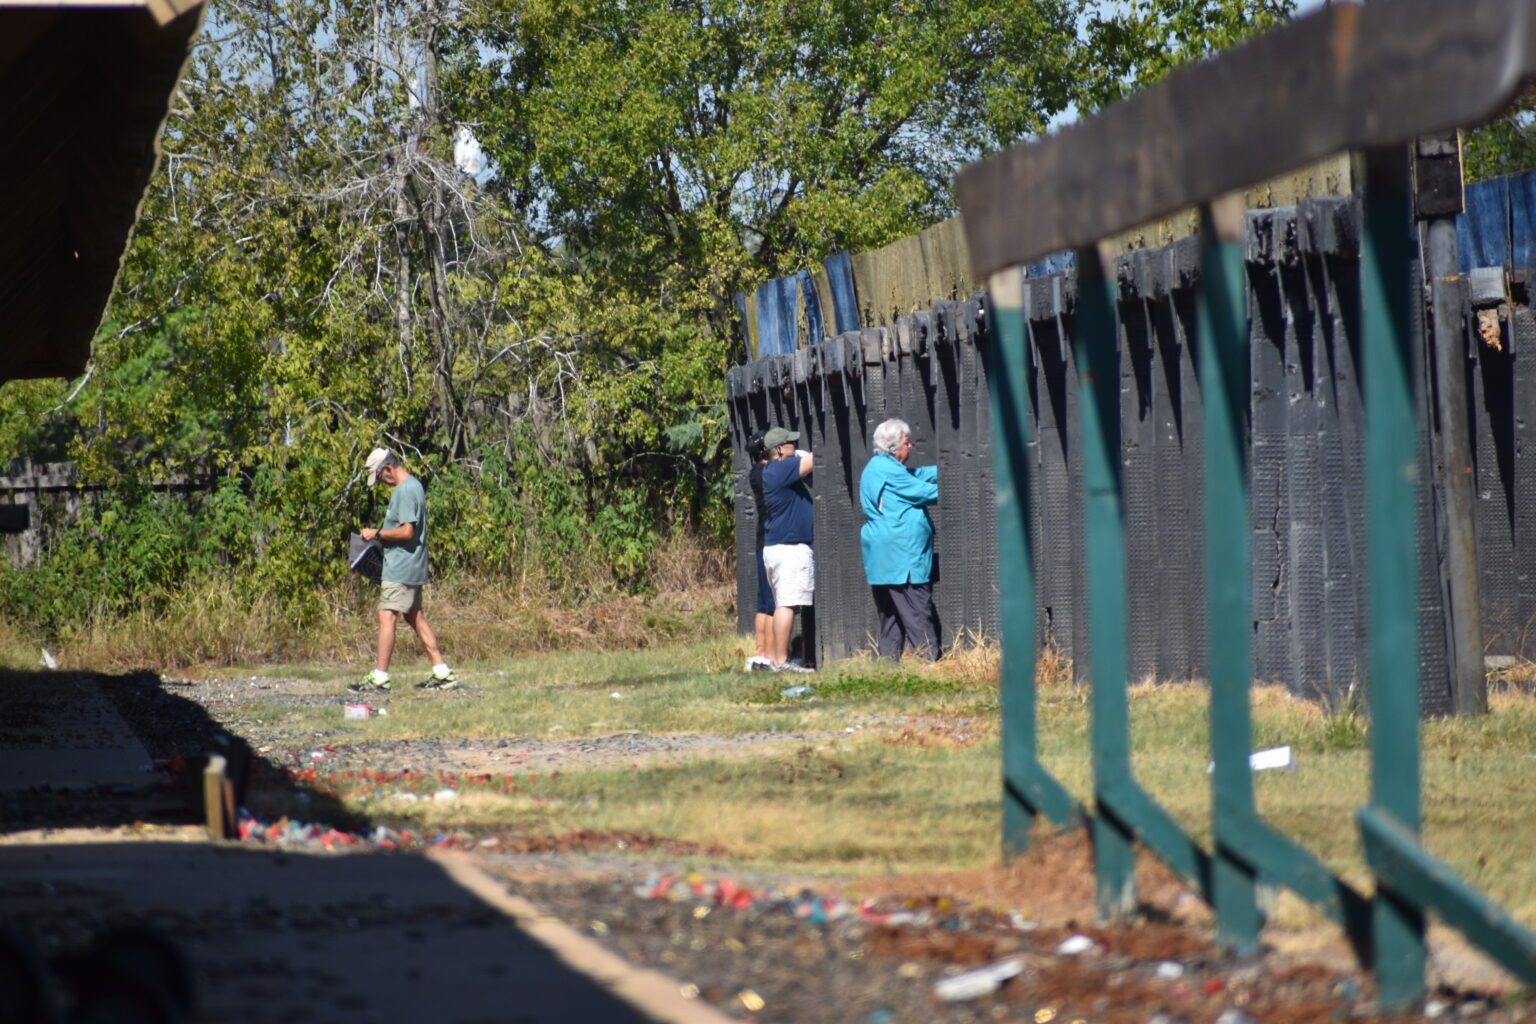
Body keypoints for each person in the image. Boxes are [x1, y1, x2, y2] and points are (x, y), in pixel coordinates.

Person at [351, 447, 458, 692]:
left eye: (379, 477)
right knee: (413, 615)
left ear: (388, 469)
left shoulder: (406, 490)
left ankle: (380, 677)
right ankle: (442, 672)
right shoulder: (413, 487)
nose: (380, 483)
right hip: (410, 564)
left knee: (386, 615)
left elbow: (407, 531)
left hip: (401, 566)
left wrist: (377, 533)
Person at [859, 418, 941, 661]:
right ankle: (928, 665)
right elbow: (925, 490)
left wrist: (949, 466)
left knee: (892, 616)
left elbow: (915, 475)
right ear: (893, 448)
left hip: (885, 560)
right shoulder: (888, 472)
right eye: (907, 442)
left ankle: (887, 669)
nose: (911, 447)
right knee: (917, 611)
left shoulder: (880, 467)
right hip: (902, 558)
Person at [759, 426, 814, 671]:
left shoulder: (771, 470)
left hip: (776, 548)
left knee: (783, 602)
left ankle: (776, 658)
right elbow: (817, 458)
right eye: (790, 443)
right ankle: (781, 661)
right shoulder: (782, 469)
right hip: (789, 549)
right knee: (787, 605)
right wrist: (803, 454)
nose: (794, 444)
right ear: (780, 450)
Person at [745, 431, 777, 672]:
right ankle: (767, 654)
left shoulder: (755, 472)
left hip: (761, 539)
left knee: (763, 601)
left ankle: (761, 654)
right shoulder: (764, 473)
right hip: (768, 539)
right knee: (771, 601)